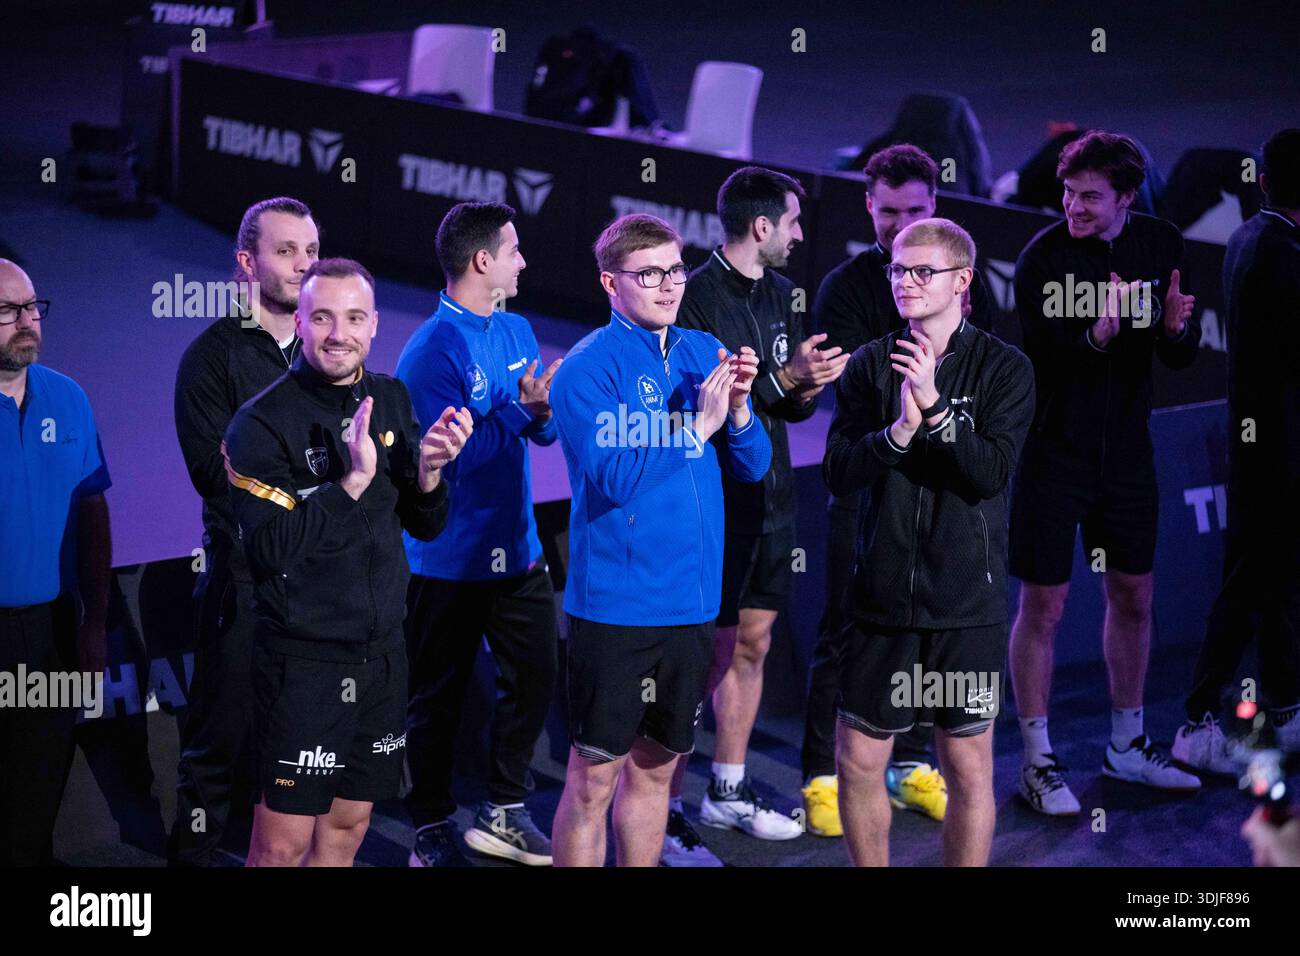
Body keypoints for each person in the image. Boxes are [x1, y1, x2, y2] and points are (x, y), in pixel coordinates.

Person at [224, 258, 471, 866]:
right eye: (323, 317)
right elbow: (268, 551)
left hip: (384, 657)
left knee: (348, 826)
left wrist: (432, 472)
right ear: (299, 324)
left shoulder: (390, 397)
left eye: (354, 317)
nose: (339, 333)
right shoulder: (259, 424)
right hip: (304, 662)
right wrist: (352, 482)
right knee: (283, 845)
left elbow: (426, 524)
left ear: (375, 325)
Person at [548, 214, 771, 866]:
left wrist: (739, 411)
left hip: (691, 608)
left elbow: (753, 464)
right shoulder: (588, 369)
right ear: (610, 282)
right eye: (649, 273)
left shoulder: (703, 349)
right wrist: (694, 430)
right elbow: (614, 474)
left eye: (675, 269)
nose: (669, 284)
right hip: (618, 613)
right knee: (592, 782)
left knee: (654, 774)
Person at [826, 218, 1034, 866]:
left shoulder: (1006, 370)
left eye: (923, 271)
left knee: (967, 769)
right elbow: (838, 470)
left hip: (965, 606)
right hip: (883, 603)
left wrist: (937, 412)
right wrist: (894, 434)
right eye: (897, 270)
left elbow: (990, 473)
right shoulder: (868, 365)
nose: (905, 282)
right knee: (858, 763)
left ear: (962, 281)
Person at [805, 144, 999, 835]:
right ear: (869, 206)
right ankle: (822, 774)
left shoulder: (986, 323)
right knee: (842, 629)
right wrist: (911, 406)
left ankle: (912, 762)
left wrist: (936, 404)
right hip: (868, 493)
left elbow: (980, 389)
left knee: (931, 651)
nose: (898, 224)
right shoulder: (845, 288)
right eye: (888, 213)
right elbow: (865, 388)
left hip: (946, 507)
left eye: (914, 211)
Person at [1008, 130, 1202, 814]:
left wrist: (1176, 331)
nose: (1075, 206)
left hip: (1127, 456)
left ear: (1127, 197)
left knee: (1135, 596)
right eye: (1068, 192)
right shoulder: (1040, 260)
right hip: (1054, 454)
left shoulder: (1159, 244)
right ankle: (1038, 763)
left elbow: (1176, 357)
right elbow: (1045, 366)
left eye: (1091, 195)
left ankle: (1127, 747)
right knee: (1045, 608)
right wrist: (1097, 334)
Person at [663, 166, 845, 863]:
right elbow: (717, 408)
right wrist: (785, 381)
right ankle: (669, 805)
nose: (801, 235)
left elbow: (783, 401)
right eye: (793, 223)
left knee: (754, 645)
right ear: (762, 226)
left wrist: (805, 387)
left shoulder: (783, 294)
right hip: (713, 505)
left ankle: (728, 789)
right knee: (701, 658)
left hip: (772, 499)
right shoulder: (697, 299)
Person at [396, 202, 560, 867]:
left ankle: (503, 808)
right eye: (515, 250)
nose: (524, 261)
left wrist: (537, 411)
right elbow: (451, 458)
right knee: (437, 699)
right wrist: (519, 412)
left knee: (537, 676)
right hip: (446, 560)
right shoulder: (430, 351)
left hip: (518, 548)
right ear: (483, 261)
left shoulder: (517, 326)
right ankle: (430, 823)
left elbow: (540, 429)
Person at [171, 196, 320, 866]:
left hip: (320, 586)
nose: (303, 265)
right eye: (286, 251)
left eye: (312, 251)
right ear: (245, 262)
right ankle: (195, 852)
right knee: (217, 742)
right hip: (242, 582)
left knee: (298, 749)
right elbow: (215, 473)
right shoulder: (210, 360)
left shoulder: (330, 353)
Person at [1174, 129, 1300, 770]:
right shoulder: (1281, 252)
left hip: (1260, 444)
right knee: (1250, 584)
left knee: (1273, 582)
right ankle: (1196, 721)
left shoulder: (1252, 237)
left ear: (1263, 180)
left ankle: (1286, 707)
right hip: (1277, 452)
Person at [0, 259, 112, 865]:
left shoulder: (68, 398)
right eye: (8, 310)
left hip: (51, 634)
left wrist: (94, 623)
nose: (27, 322)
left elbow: (92, 514)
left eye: (33, 307)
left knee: (38, 797)